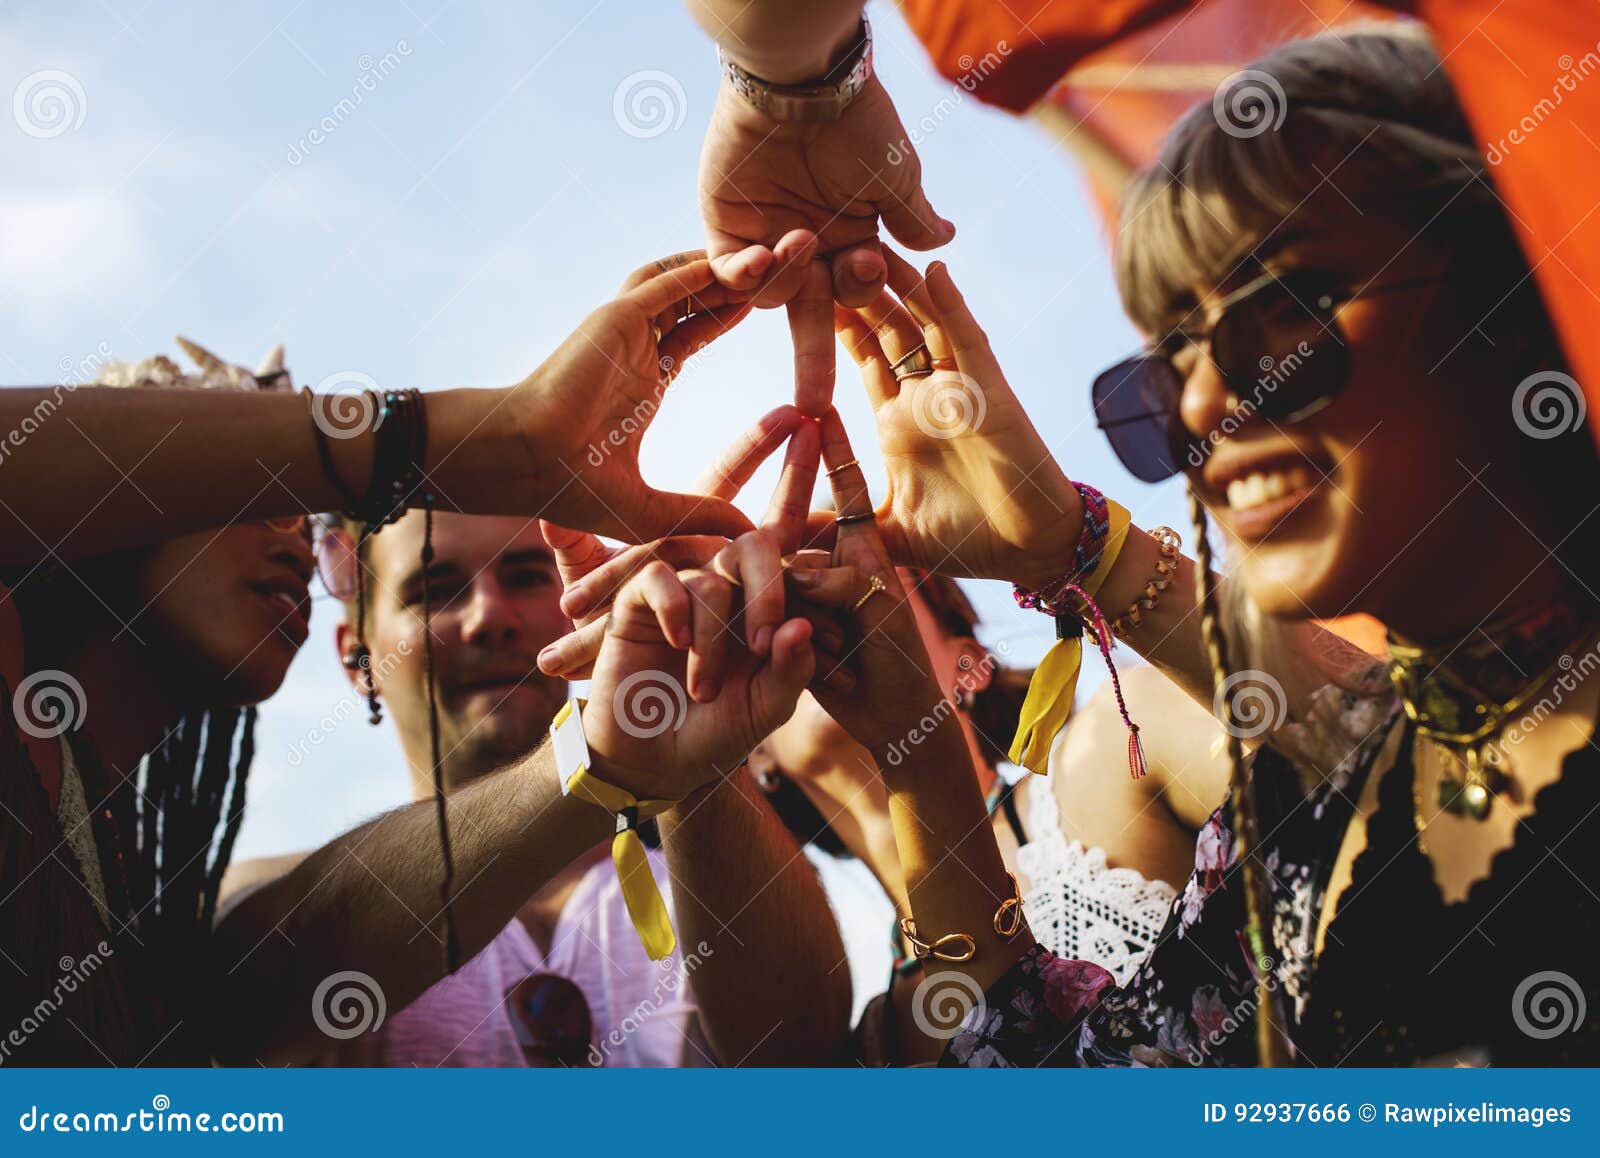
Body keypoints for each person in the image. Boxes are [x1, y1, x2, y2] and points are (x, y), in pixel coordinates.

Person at [815, 25, 1600, 1066]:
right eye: (1166, 358)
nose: (1205, 403)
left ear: (1506, 289)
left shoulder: (1270, 771)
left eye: (1281, 313)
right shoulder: (1328, 826)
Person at [0, 253, 791, 1065]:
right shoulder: (222, 916)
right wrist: (460, 437)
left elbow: (797, 1066)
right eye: (242, 489)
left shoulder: (134, 896)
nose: (294, 544)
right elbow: (291, 956)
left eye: (525, 574)